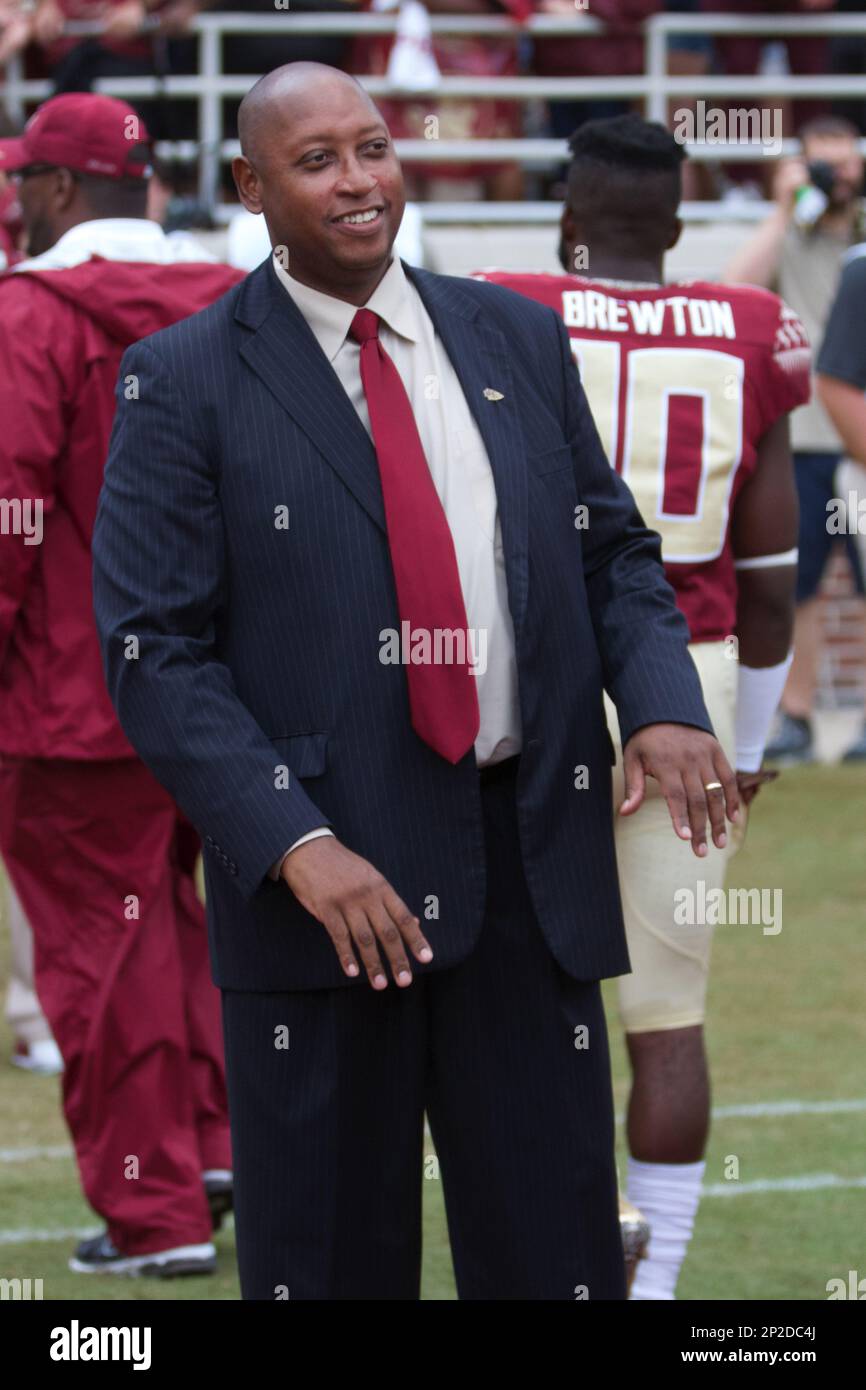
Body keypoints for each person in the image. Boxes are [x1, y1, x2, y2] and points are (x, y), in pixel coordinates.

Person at [92, 62, 740, 1302]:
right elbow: (154, 655)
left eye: (373, 148)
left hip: (526, 880)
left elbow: (611, 550)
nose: (358, 182)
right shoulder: (179, 380)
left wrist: (659, 698)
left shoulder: (513, 333)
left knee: (557, 1265)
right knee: (330, 1269)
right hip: (328, 899)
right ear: (250, 188)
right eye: (318, 160)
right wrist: (293, 841)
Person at [474, 113, 810, 1299]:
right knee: (667, 1017)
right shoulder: (750, 327)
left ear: (566, 217)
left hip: (535, 671)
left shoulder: (504, 302)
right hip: (694, 678)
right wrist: (752, 743)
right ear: (676, 225)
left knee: (519, 991)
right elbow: (771, 587)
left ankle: (584, 1230)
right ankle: (653, 1285)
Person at [0, 92, 243, 1276]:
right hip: (229, 693)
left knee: (106, 952)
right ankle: (210, 1149)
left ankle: (156, 1212)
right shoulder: (238, 297)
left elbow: (7, 512)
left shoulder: (31, 316)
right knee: (186, 926)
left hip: (75, 699)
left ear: (53, 191)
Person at [723, 115, 866, 763]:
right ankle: (799, 715)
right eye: (821, 163)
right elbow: (731, 291)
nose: (835, 176)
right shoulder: (795, 233)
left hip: (859, 428)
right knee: (799, 585)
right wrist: (785, 209)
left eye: (845, 161)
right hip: (808, 435)